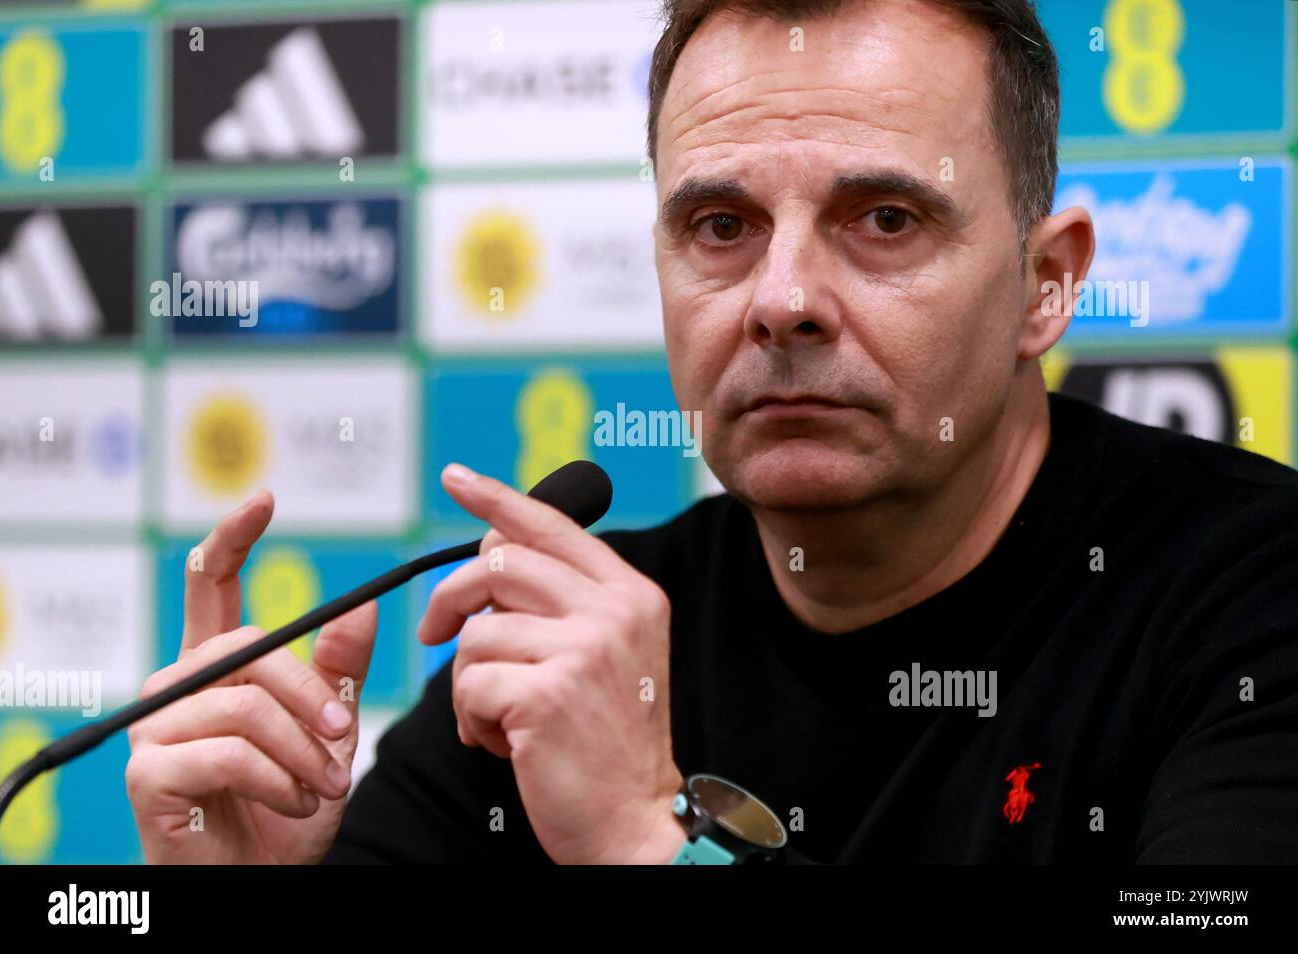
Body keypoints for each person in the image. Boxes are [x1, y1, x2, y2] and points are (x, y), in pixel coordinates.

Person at [125, 0, 1298, 864]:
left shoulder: (1253, 598)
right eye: (722, 224)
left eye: (882, 218)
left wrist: (648, 846)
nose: (781, 298)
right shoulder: (573, 641)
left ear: (1046, 285)